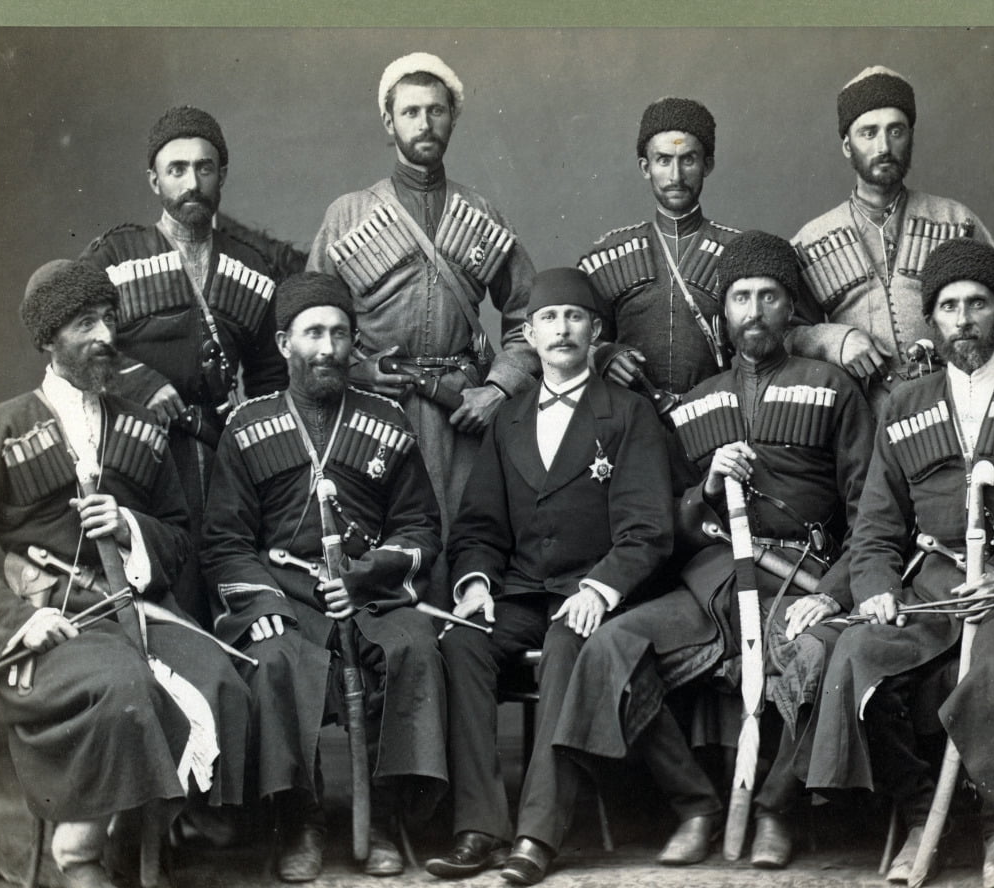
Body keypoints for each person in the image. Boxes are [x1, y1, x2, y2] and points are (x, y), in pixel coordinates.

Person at [553, 232, 874, 869]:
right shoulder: (693, 405)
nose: (753, 310)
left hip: (799, 582)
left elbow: (871, 513)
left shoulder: (833, 390)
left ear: (790, 309)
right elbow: (661, 525)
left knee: (828, 651)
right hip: (711, 587)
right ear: (723, 312)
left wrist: (836, 593)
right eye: (740, 297)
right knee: (611, 646)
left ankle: (777, 810)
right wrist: (705, 487)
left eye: (769, 297)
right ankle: (696, 806)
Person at [0, 260, 250, 888]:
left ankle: (151, 835)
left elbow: (179, 536)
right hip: (49, 624)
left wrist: (129, 528)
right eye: (85, 323)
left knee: (223, 682)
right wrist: (14, 621)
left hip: (137, 607)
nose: (105, 336)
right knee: (123, 690)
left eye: (109, 319)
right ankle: (79, 853)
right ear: (47, 340)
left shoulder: (141, 425)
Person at [806, 239, 994, 888]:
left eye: (977, 304)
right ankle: (918, 816)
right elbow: (877, 524)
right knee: (858, 651)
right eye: (948, 306)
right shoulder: (904, 407)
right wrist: (877, 587)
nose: (963, 318)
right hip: (932, 589)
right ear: (931, 321)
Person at [424, 268, 673, 886]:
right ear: (528, 336)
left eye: (575, 317)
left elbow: (649, 529)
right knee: (461, 642)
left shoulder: (629, 413)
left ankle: (538, 833)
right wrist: (477, 583)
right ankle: (479, 826)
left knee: (567, 646)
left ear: (595, 332)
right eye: (548, 319)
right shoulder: (508, 419)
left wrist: (599, 588)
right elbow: (479, 526)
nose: (561, 329)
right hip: (519, 592)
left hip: (595, 597)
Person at [200, 272, 448, 882]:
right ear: (285, 343)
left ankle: (386, 816)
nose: (327, 348)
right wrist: (264, 607)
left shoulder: (387, 420)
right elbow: (226, 542)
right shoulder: (246, 425)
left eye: (340, 334)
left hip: (371, 595)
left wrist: (365, 577)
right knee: (277, 659)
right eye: (313, 334)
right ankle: (300, 822)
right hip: (287, 598)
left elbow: (419, 526)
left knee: (414, 647)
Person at [306, 52, 538, 563]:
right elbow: (309, 322)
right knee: (376, 546)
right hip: (373, 409)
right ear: (389, 123)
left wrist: (498, 390)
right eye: (410, 112)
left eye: (436, 110)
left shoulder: (481, 213)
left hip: (461, 413)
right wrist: (357, 370)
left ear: (453, 118)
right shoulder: (347, 214)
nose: (424, 123)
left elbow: (529, 321)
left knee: (465, 544)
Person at [82, 105, 288, 621]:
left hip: (220, 452)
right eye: (177, 170)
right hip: (135, 447)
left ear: (222, 175)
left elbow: (269, 377)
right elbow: (73, 341)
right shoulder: (116, 254)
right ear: (155, 180)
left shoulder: (252, 265)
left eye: (204, 167)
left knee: (220, 578)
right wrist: (144, 381)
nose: (191, 183)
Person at [788, 66, 994, 416]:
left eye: (895, 131)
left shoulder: (954, 221)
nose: (884, 146)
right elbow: (780, 336)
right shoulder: (811, 240)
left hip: (954, 412)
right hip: (859, 424)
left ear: (910, 137)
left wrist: (981, 409)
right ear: (846, 145)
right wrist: (832, 341)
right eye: (868, 133)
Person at [577, 97, 740, 401]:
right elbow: (572, 337)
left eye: (688, 159)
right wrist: (604, 356)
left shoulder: (739, 251)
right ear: (645, 167)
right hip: (629, 424)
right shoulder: (610, 253)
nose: (676, 176)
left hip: (716, 420)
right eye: (664, 160)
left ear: (708, 165)